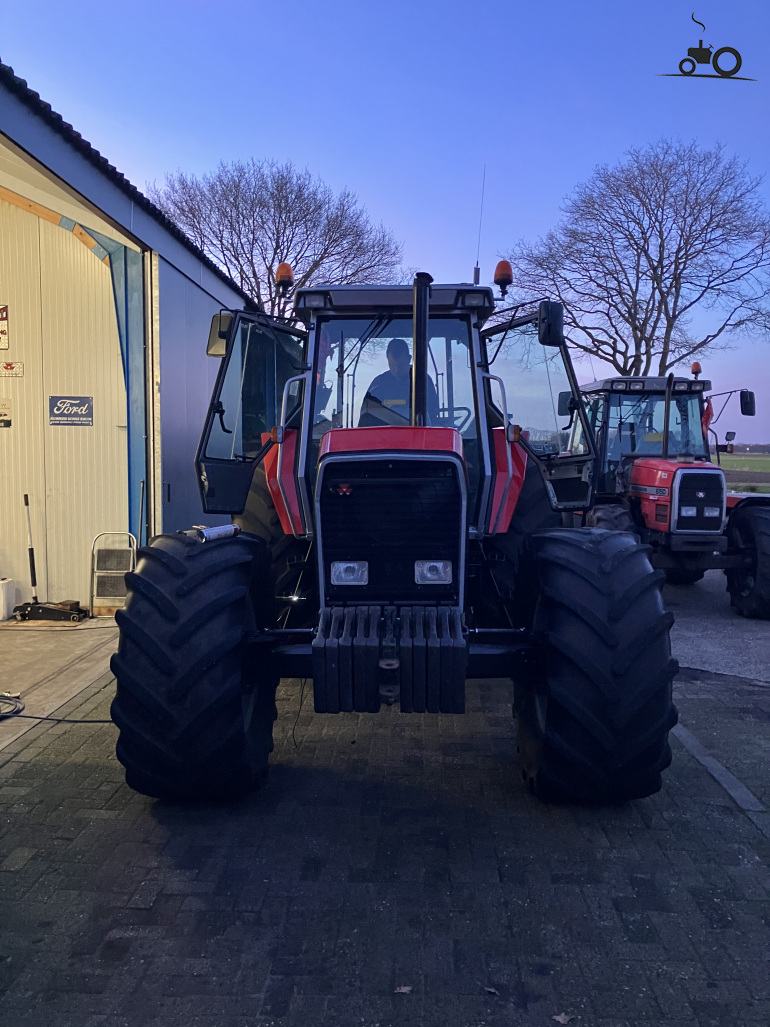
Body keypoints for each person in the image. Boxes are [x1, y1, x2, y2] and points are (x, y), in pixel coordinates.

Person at [359, 338, 439, 427]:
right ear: (387, 359)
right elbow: (366, 414)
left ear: (409, 359)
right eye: (392, 366)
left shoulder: (422, 380)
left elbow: (432, 412)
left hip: (417, 434)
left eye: (400, 366)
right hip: (383, 436)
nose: (396, 370)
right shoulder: (378, 383)